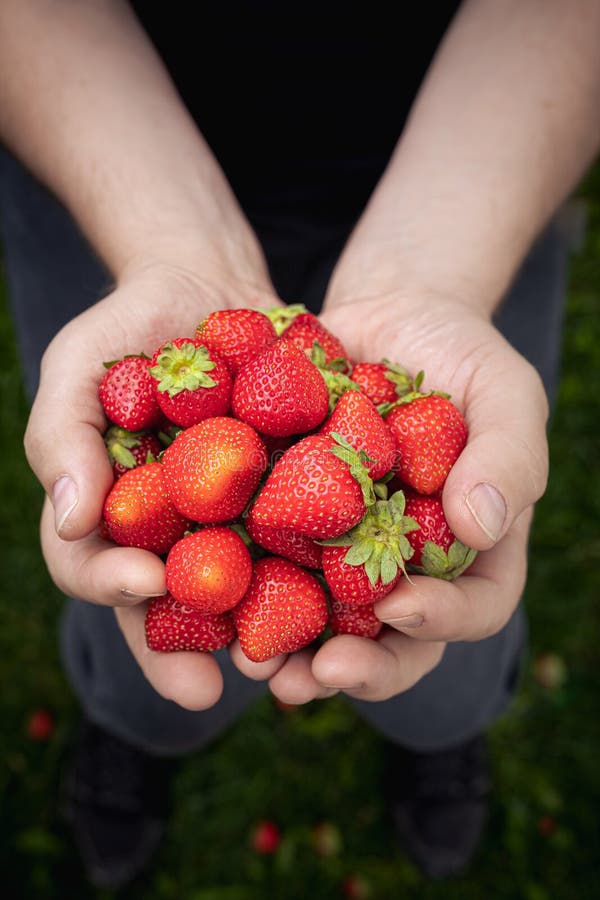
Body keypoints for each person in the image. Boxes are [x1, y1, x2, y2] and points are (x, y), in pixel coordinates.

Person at [0, 0, 598, 888]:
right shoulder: (236, 433)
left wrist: (439, 270)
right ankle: (136, 735)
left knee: (444, 640)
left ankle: (438, 736)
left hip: (478, 162)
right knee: (150, 645)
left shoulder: (346, 452)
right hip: (107, 146)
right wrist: (170, 243)